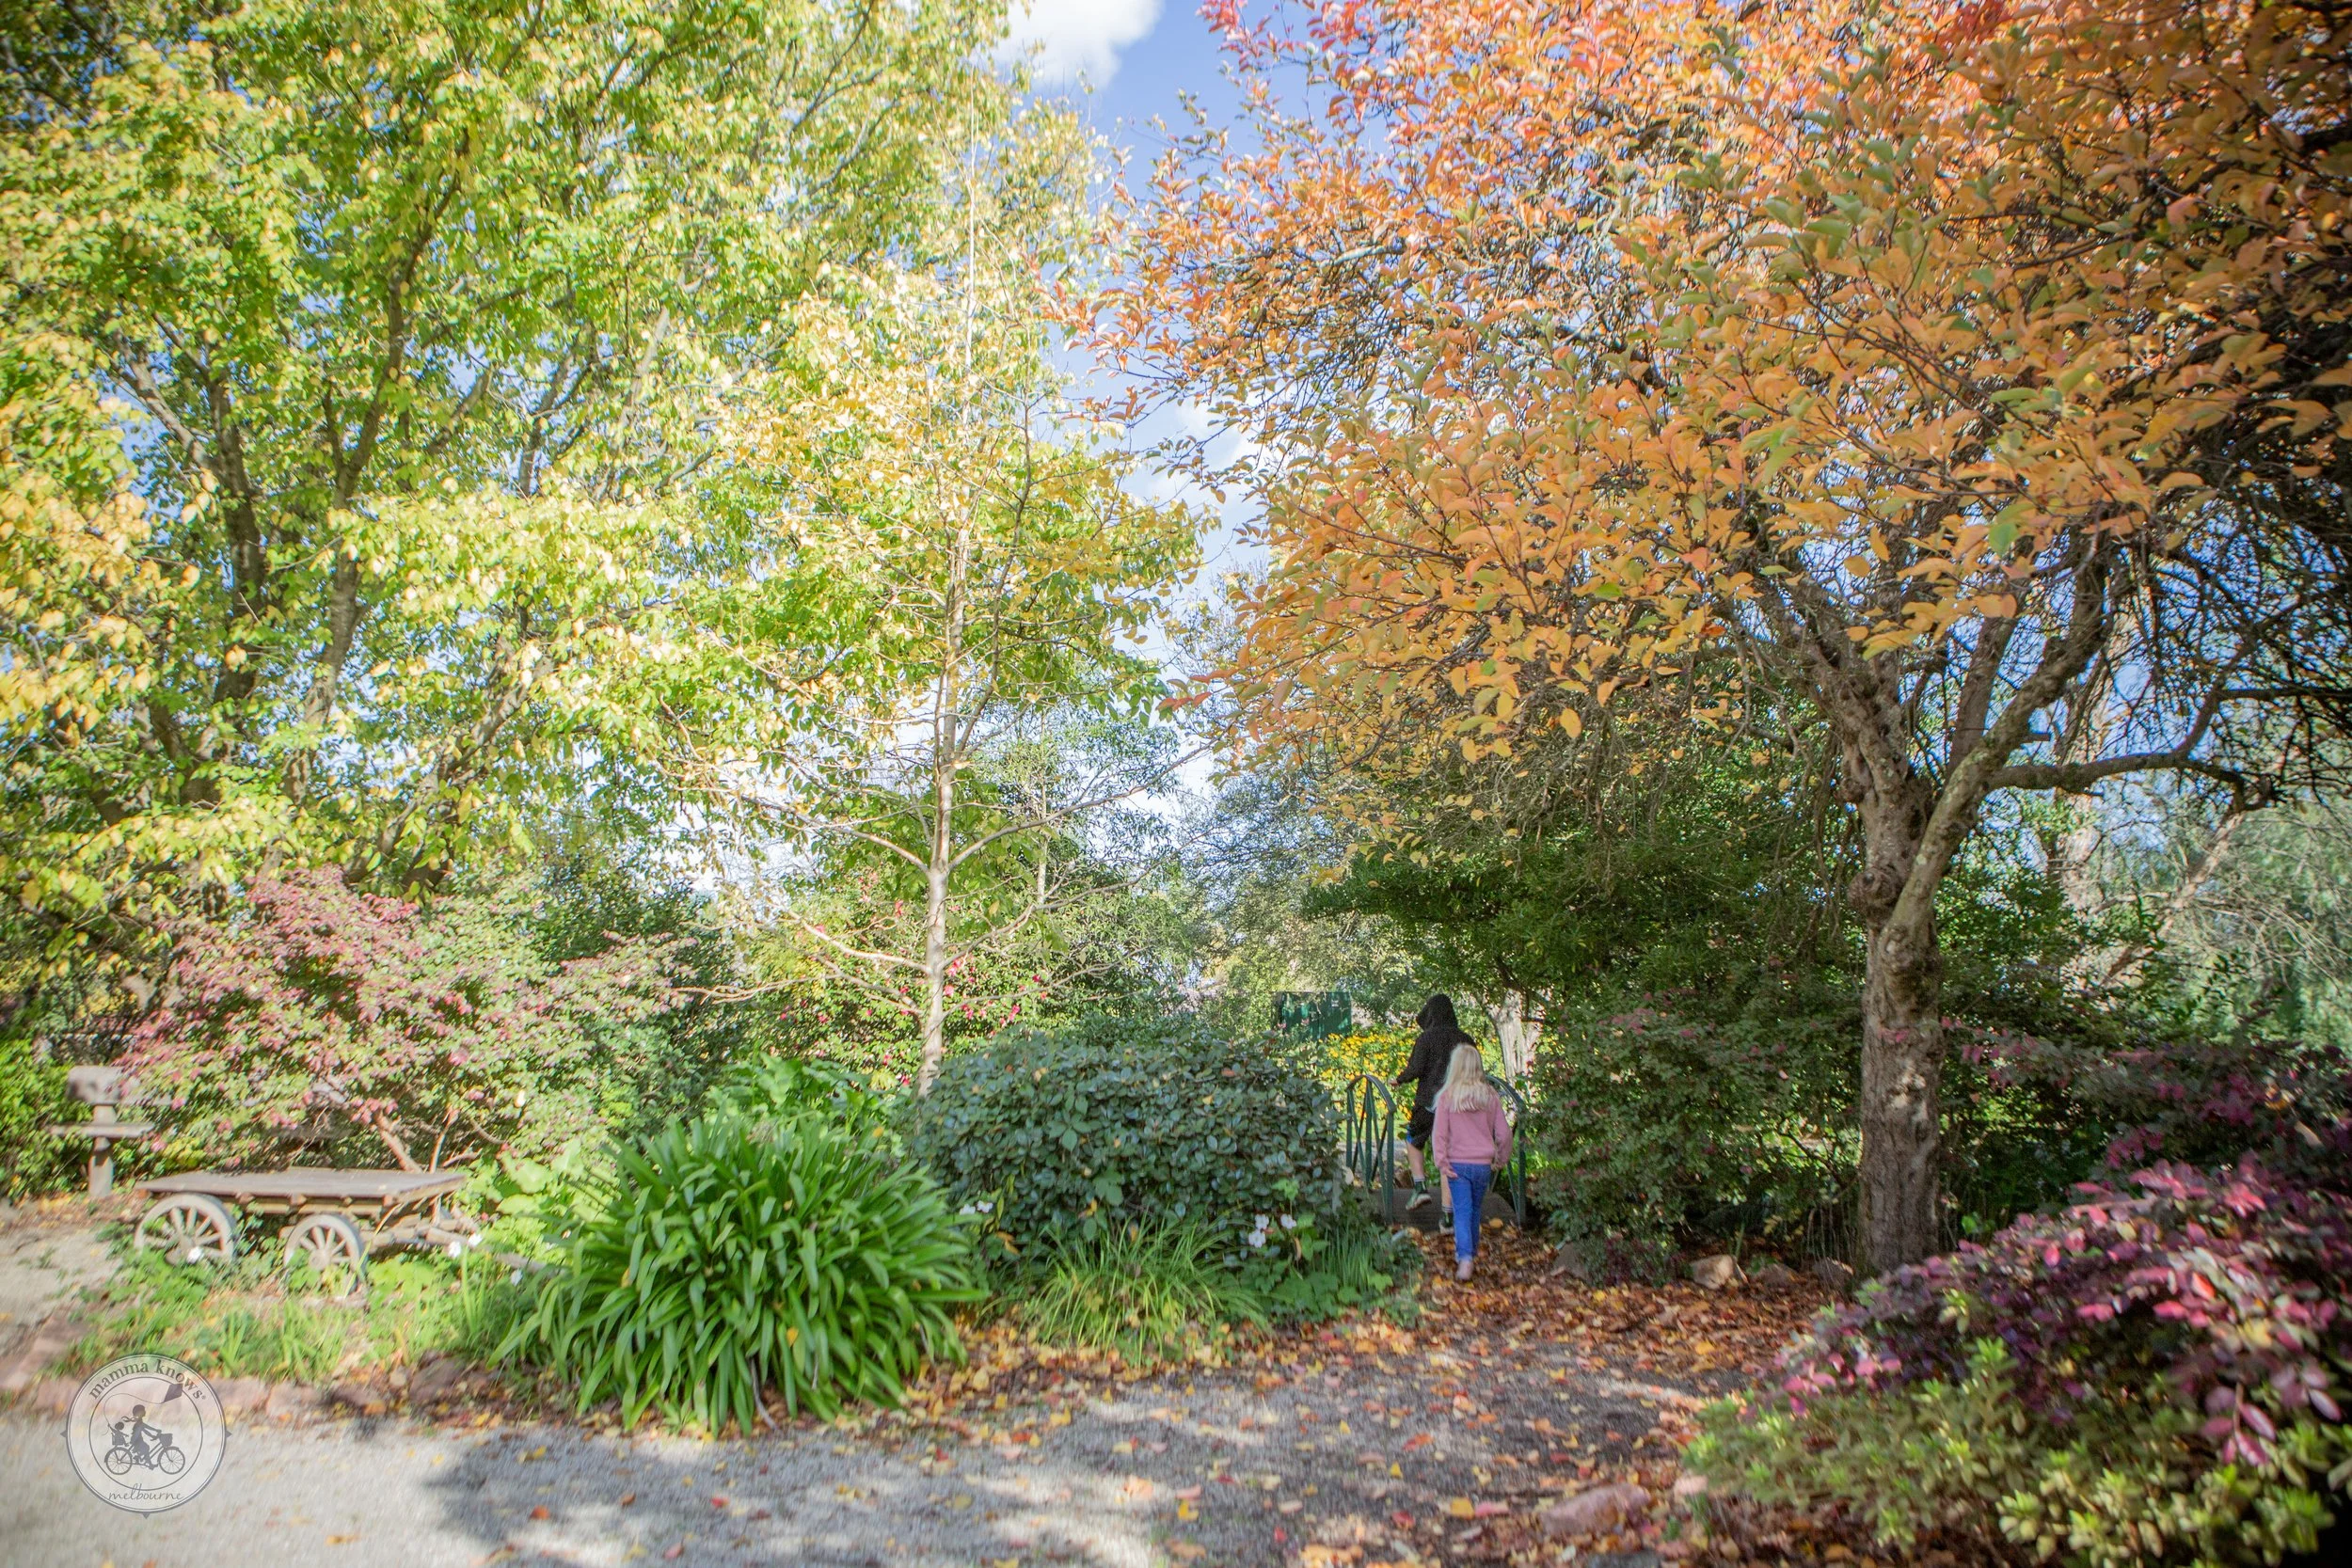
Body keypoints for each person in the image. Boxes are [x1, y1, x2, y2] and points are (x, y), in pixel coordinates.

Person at [1432, 1040, 1512, 1281]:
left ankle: (1465, 1258)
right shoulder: (1489, 1096)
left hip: (1457, 1165)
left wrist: (1441, 1162)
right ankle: (1470, 1254)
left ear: (1454, 1067)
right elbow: (1504, 1133)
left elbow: (1439, 1134)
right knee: (1475, 1210)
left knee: (1462, 1212)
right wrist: (1501, 1158)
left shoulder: (1448, 1097)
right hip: (1482, 1165)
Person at [1394, 995, 1475, 1212]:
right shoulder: (1466, 1039)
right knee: (1448, 1154)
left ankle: (1420, 1187)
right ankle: (1448, 1215)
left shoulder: (1426, 1038)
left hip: (1428, 1102)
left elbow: (1416, 1068)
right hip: (1459, 1103)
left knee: (1414, 1139)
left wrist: (1400, 1079)